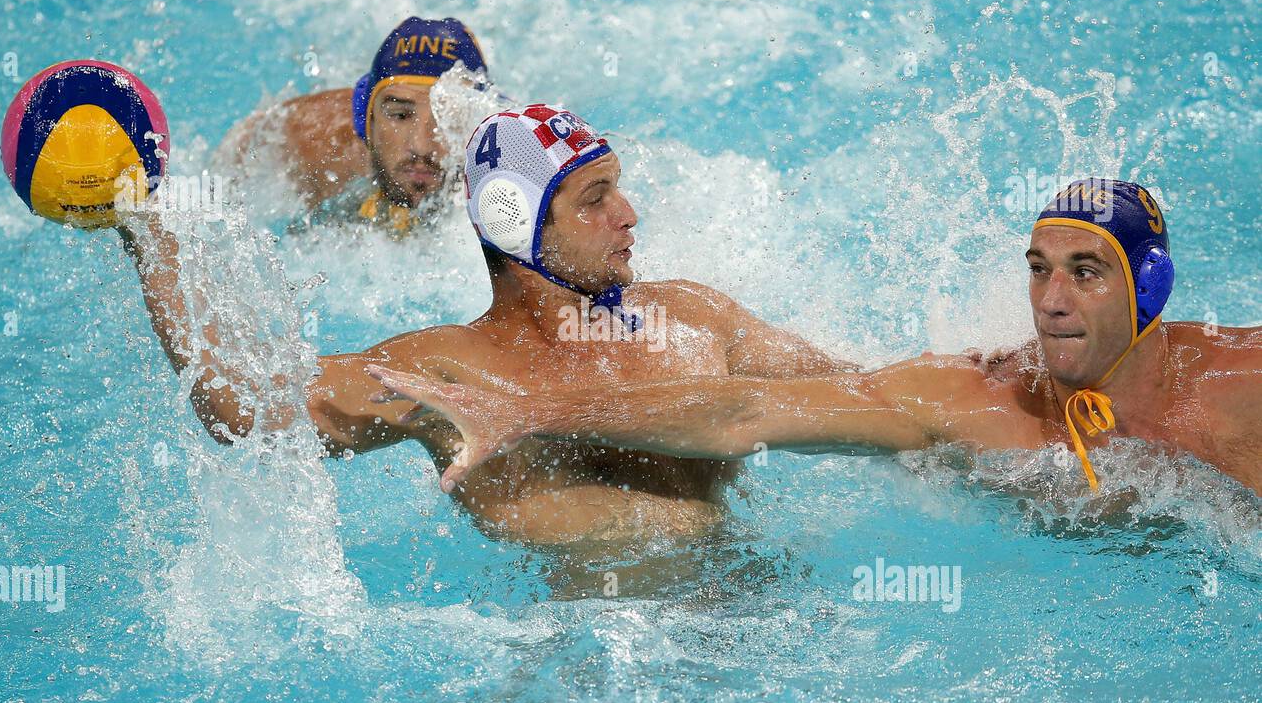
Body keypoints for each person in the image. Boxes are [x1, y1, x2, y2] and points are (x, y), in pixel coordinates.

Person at [122, 104, 856, 542]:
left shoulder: (693, 318)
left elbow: (860, 394)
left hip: (763, 625)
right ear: (514, 219)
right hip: (594, 671)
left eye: (620, 191)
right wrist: (147, 231)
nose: (628, 215)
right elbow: (241, 408)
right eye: (595, 199)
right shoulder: (449, 374)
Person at [367, 180, 1262, 500]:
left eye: (1085, 271)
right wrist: (526, 408)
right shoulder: (980, 398)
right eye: (1037, 268)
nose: (1051, 300)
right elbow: (745, 409)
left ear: (1148, 287)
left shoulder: (1231, 383)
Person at [218, 16, 488, 233]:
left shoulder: (506, 176)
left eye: (448, 118)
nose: (420, 145)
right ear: (365, 120)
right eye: (399, 116)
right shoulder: (317, 141)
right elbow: (238, 152)